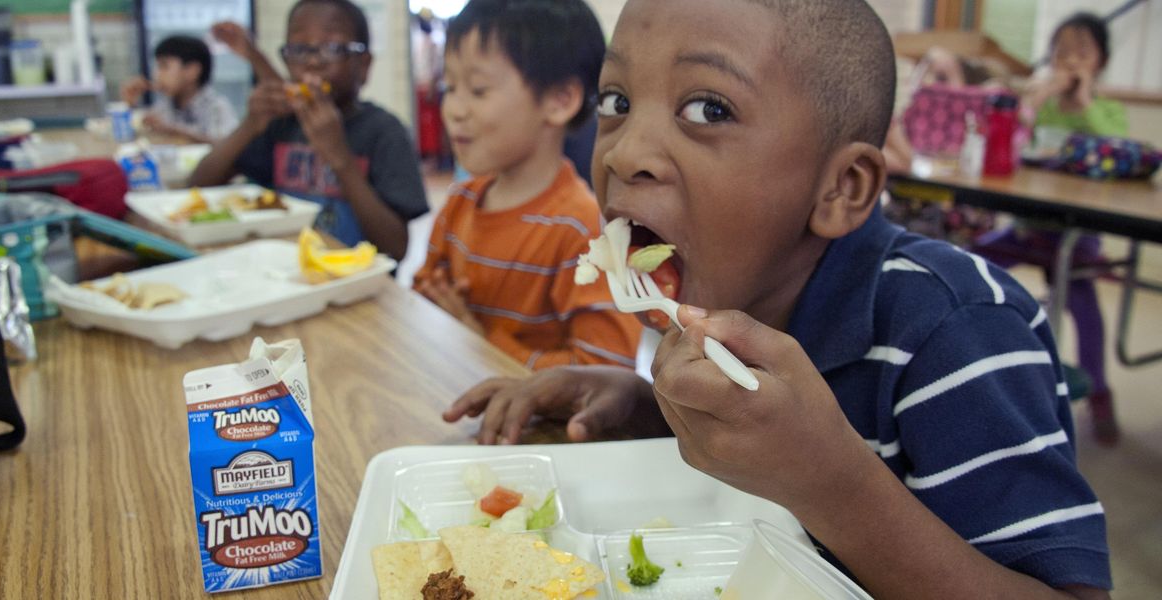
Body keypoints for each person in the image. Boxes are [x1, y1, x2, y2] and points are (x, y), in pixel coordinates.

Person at [444, 0, 1111, 597]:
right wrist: (644, 408)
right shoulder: (733, 294)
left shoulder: (954, 327)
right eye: (616, 102)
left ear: (841, 188)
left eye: (708, 109)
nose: (624, 153)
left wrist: (831, 485)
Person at [413, 0, 641, 377]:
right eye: (449, 87)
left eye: (478, 90)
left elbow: (605, 371)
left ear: (559, 100)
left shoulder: (582, 231)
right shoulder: (461, 201)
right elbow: (425, 295)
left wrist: (479, 341)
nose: (453, 108)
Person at [972, 12, 1127, 446]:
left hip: (1075, 234)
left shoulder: (1106, 109)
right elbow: (1016, 148)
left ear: (1100, 62)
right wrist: (1034, 104)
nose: (1069, 62)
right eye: (1062, 52)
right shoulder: (1044, 105)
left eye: (1081, 53)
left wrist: (1085, 101)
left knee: (1083, 302)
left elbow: (1112, 147)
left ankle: (1098, 389)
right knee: (973, 259)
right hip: (1029, 227)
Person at [189, 0, 428, 258]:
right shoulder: (280, 123)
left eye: (333, 49)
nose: (313, 62)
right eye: (300, 49)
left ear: (364, 65)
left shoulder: (385, 132)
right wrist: (249, 126)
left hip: (357, 283)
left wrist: (340, 159)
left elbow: (396, 248)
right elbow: (199, 185)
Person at [120, 35, 239, 144]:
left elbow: (228, 147)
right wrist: (131, 104)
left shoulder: (217, 107)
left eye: (164, 66)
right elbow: (142, 136)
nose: (157, 75)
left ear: (192, 71)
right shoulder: (165, 104)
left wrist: (174, 131)